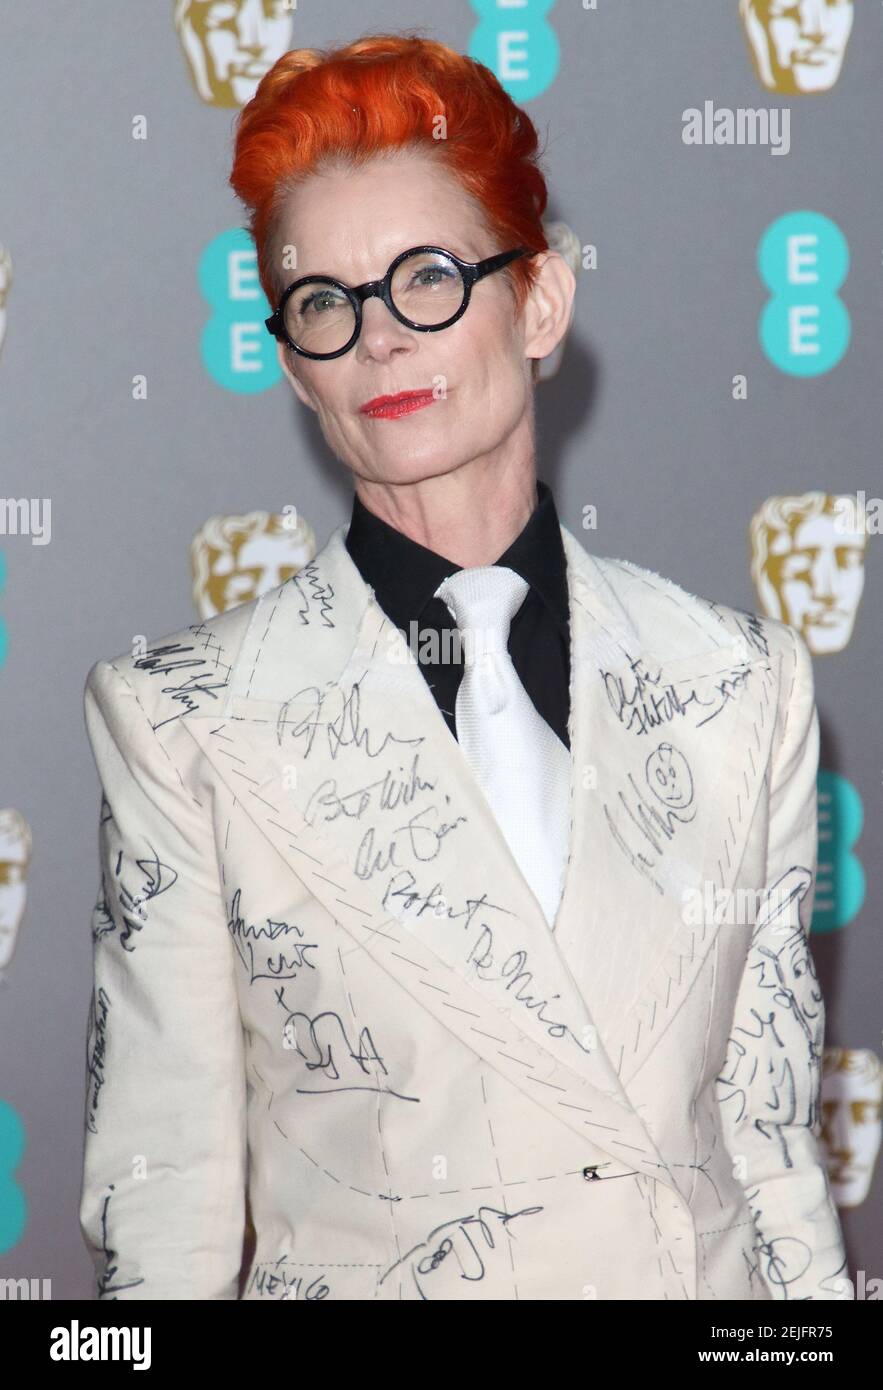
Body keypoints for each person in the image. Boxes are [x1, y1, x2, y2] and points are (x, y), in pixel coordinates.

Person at [79, 33, 850, 1301]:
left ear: (538, 301)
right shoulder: (185, 723)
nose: (379, 338)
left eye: (425, 277)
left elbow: (768, 1159)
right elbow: (165, 1225)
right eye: (326, 301)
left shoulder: (737, 684)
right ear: (292, 364)